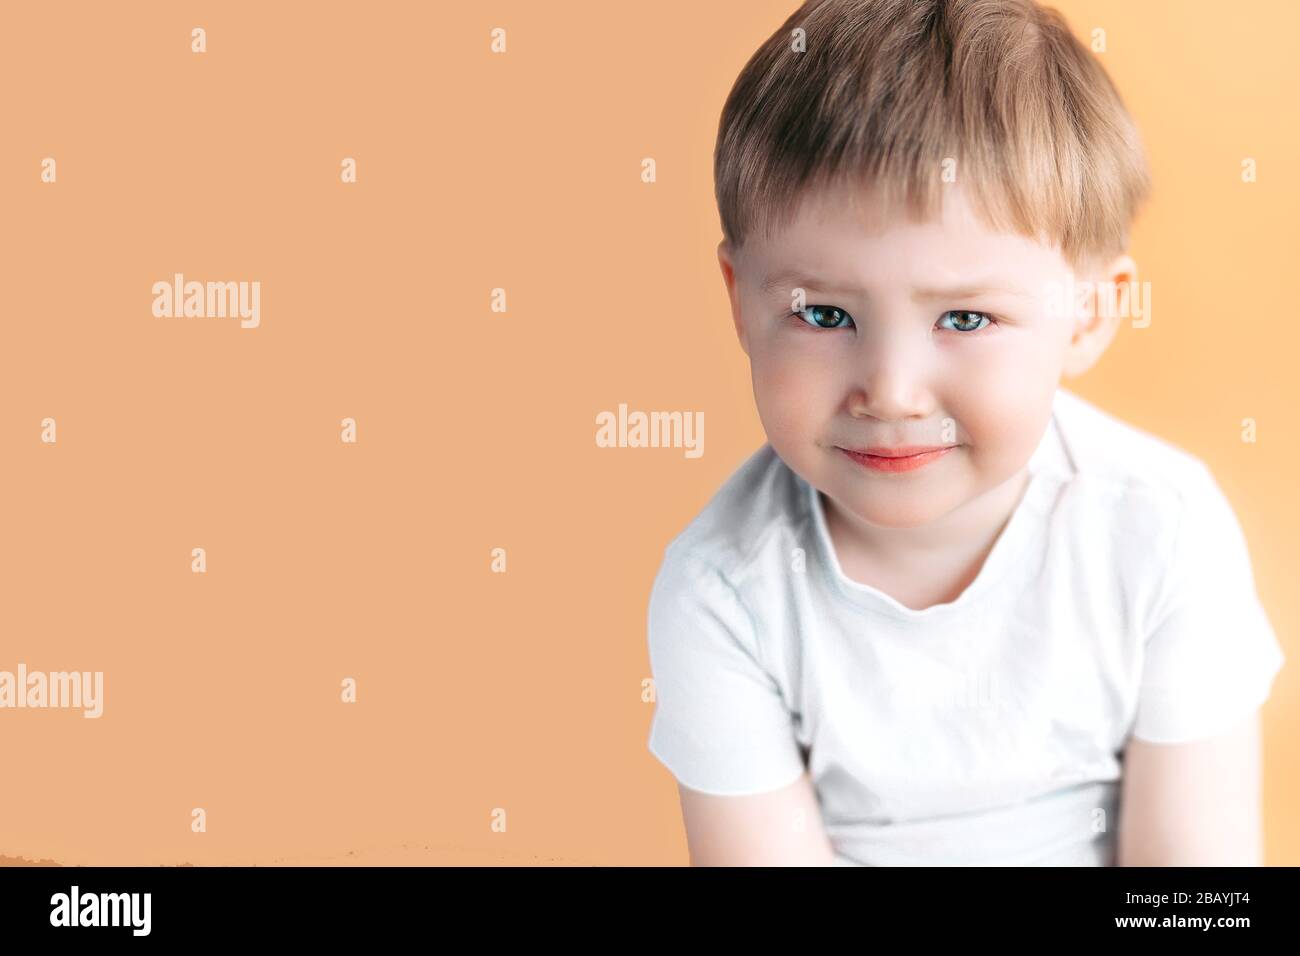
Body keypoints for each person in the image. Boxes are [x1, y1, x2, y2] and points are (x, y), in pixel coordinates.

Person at [645, 0, 1285, 865]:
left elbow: (1194, 892)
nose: (893, 391)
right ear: (740, 302)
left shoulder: (1161, 530)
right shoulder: (725, 590)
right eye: (826, 313)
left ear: (1089, 314)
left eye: (967, 319)